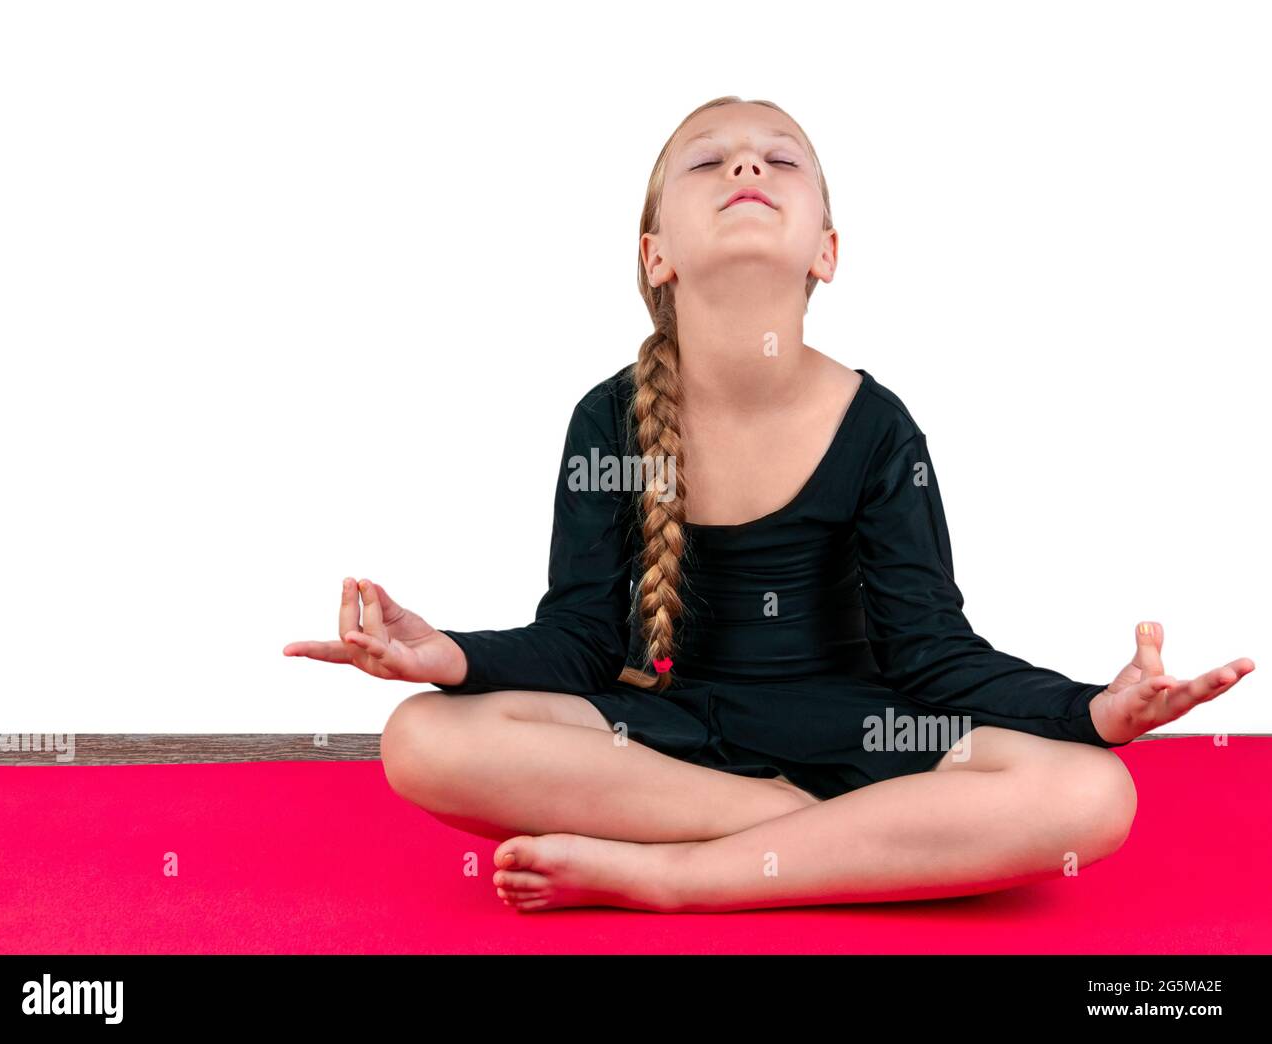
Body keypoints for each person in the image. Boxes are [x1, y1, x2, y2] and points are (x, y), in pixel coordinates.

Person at [284, 96, 1254, 913]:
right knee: (421, 736)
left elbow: (934, 655)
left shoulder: (877, 427)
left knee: (1094, 796)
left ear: (824, 251)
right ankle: (820, 841)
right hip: (663, 738)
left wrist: (1093, 710)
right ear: (656, 252)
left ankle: (678, 877)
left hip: (861, 731)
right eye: (708, 159)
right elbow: (577, 640)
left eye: (778, 158)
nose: (746, 161)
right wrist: (451, 656)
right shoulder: (609, 420)